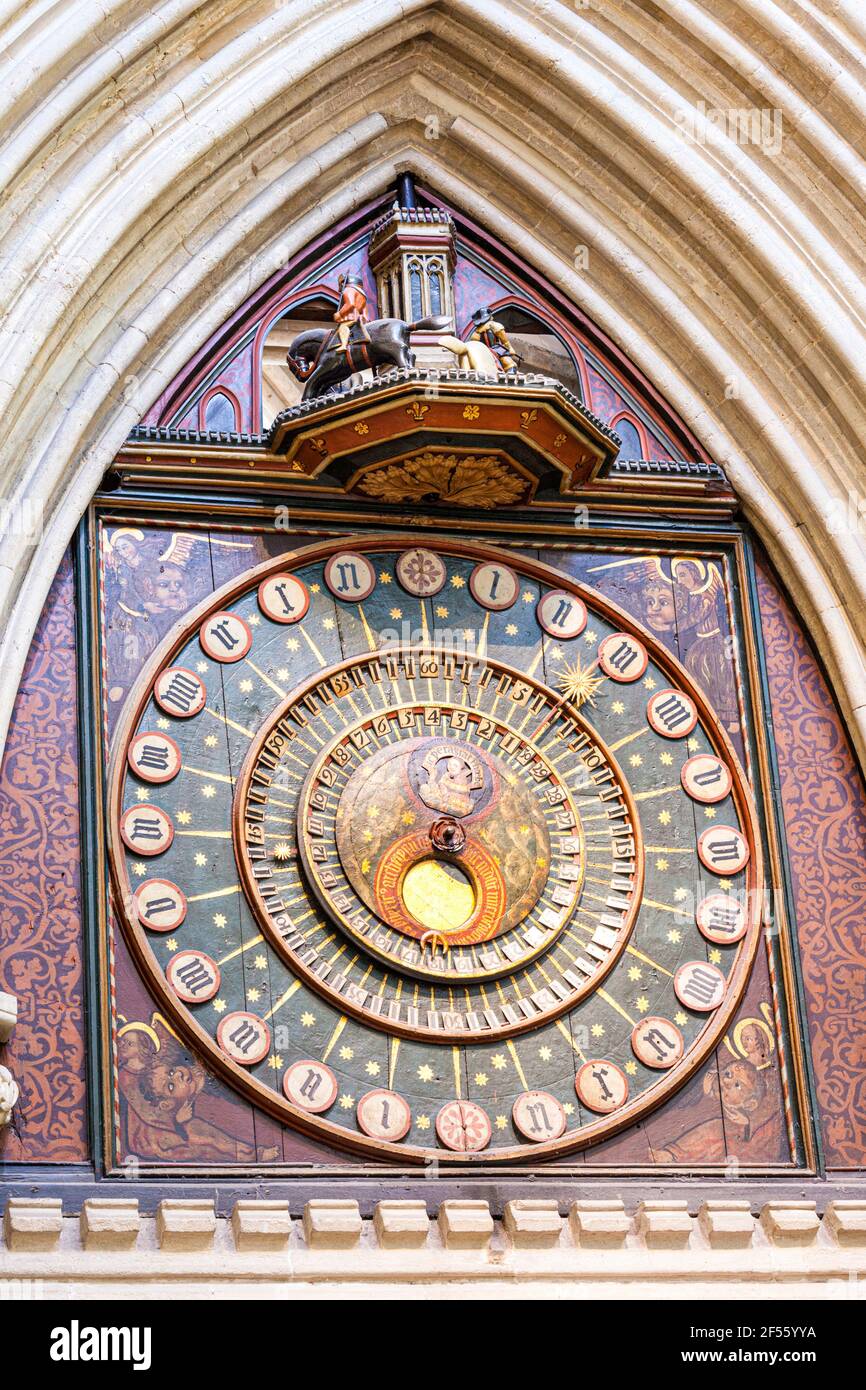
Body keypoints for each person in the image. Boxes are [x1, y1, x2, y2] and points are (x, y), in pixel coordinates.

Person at [469, 306, 519, 372]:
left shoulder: (476, 332)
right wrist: (510, 348)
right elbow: (505, 341)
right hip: (495, 349)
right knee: (509, 364)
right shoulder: (494, 325)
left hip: (484, 350)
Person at [333, 273, 369, 354]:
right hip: (358, 317)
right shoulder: (362, 294)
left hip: (351, 317)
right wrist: (365, 318)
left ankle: (343, 345)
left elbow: (350, 304)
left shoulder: (348, 290)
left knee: (343, 327)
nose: (340, 288)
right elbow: (364, 309)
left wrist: (339, 314)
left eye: (341, 284)